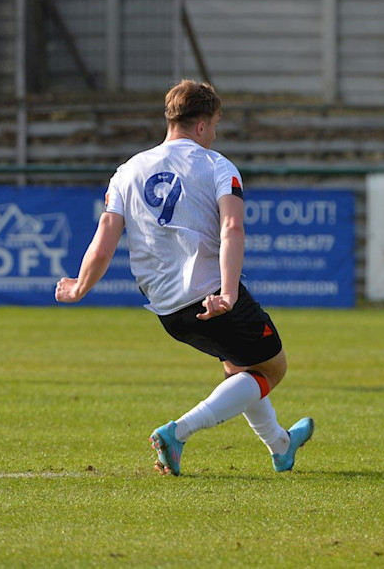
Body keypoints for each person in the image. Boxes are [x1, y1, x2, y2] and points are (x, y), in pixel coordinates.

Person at [55, 79, 313, 476]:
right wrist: (227, 294)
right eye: (215, 126)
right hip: (211, 296)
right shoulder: (217, 166)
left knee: (238, 368)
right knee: (270, 369)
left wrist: (78, 286)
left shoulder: (127, 171)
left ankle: (281, 445)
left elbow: (103, 243)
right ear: (201, 125)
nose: (214, 135)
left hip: (167, 310)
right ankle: (178, 432)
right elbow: (232, 227)